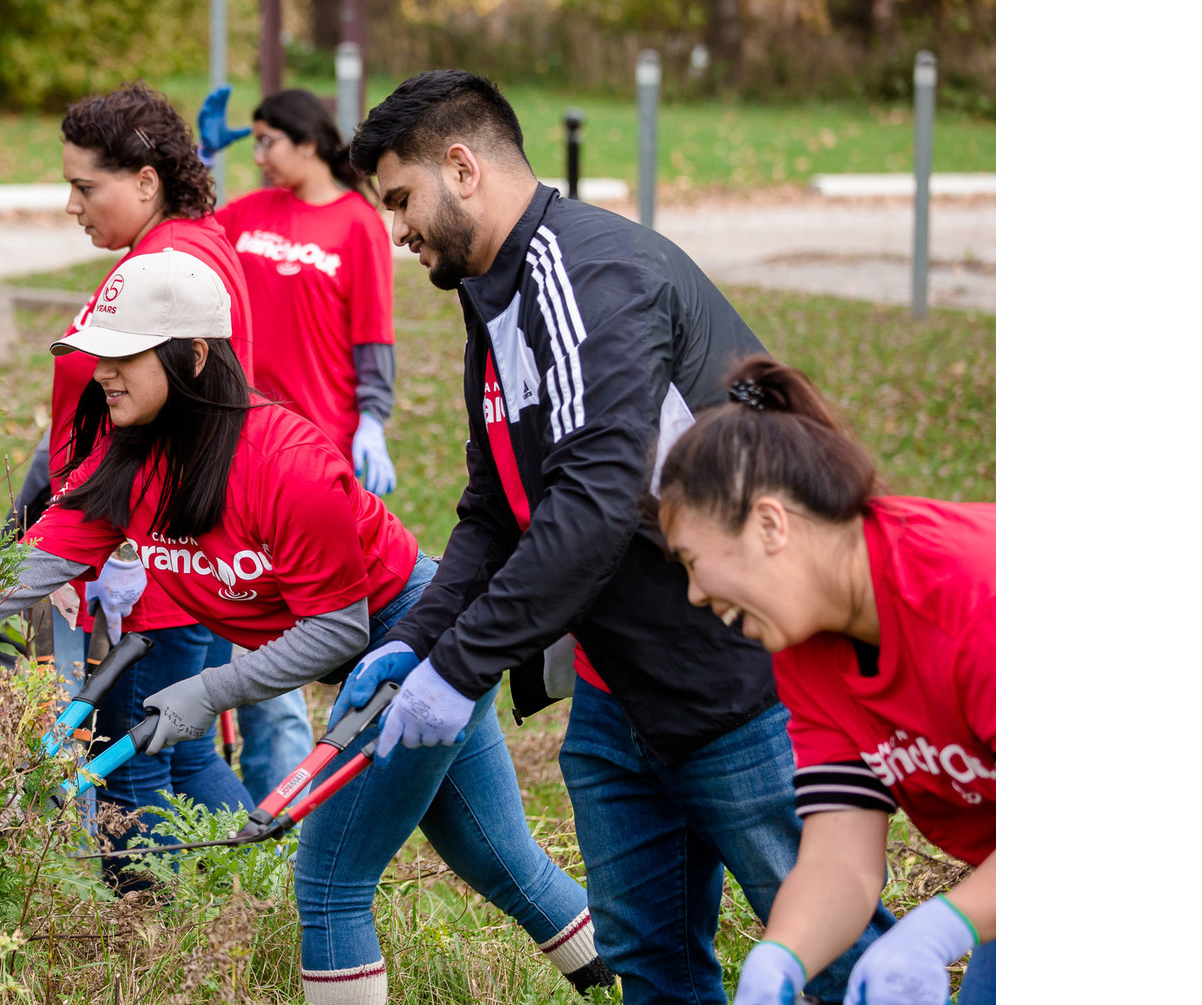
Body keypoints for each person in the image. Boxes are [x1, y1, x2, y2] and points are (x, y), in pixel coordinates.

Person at [0, 249, 613, 1000]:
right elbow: (13, 577)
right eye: (98, 352)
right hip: (366, 646)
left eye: (125, 354)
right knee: (499, 856)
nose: (101, 370)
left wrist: (210, 690)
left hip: (410, 640)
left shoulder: (288, 463)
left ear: (196, 355)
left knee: (331, 882)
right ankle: (620, 984)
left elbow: (339, 629)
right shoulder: (125, 461)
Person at [336, 70, 892, 1004]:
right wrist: (414, 641)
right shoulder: (494, 296)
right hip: (617, 696)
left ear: (463, 168)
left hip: (741, 683)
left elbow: (591, 507)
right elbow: (496, 507)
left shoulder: (586, 276)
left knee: (835, 960)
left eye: (400, 198)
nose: (396, 229)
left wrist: (457, 671)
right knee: (651, 968)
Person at [7, 82, 316, 815]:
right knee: (177, 752)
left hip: (155, 551)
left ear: (146, 182)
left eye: (86, 187)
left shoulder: (168, 269)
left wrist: (108, 551)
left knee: (136, 760)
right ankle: (249, 877)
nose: (72, 205)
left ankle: (212, 883)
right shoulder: (187, 241)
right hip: (170, 535)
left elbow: (167, 415)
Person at [657, 358, 994, 1005]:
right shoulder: (807, 649)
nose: (695, 593)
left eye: (694, 562)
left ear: (770, 524)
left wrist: (935, 932)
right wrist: (782, 955)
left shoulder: (974, 598)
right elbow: (841, 859)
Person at [198, 87, 399, 496]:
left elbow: (373, 332)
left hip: (321, 438)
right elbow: (185, 231)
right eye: (256, 144)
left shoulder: (358, 223)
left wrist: (373, 419)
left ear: (306, 142)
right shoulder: (251, 209)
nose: (258, 158)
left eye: (267, 142)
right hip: (243, 429)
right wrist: (201, 158)